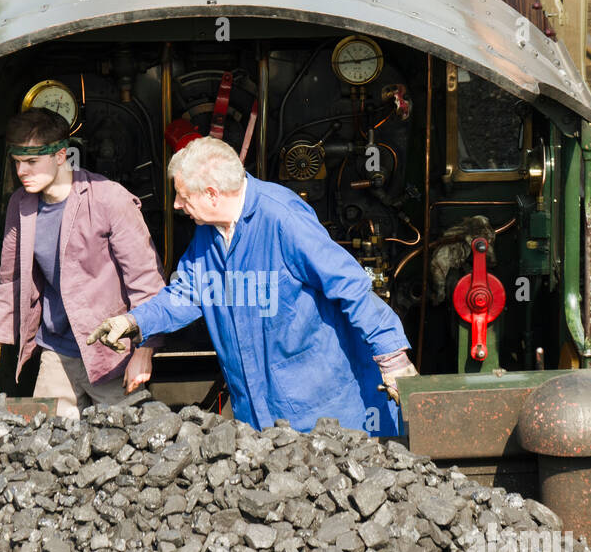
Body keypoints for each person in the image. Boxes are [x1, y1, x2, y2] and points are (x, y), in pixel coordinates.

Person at [89, 136, 418, 435]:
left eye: (182, 195)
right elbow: (186, 293)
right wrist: (133, 322)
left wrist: (392, 357)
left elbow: (350, 285)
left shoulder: (283, 219)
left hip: (319, 411)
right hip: (255, 409)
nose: (176, 204)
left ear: (213, 194)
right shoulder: (208, 234)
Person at [0, 108, 165, 419]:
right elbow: (11, 281)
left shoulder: (109, 199)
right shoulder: (20, 205)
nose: (22, 171)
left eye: (32, 162)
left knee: (132, 453)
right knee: (46, 451)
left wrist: (145, 352)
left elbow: (146, 282)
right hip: (56, 354)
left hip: (112, 356)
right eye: (18, 161)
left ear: (61, 155)